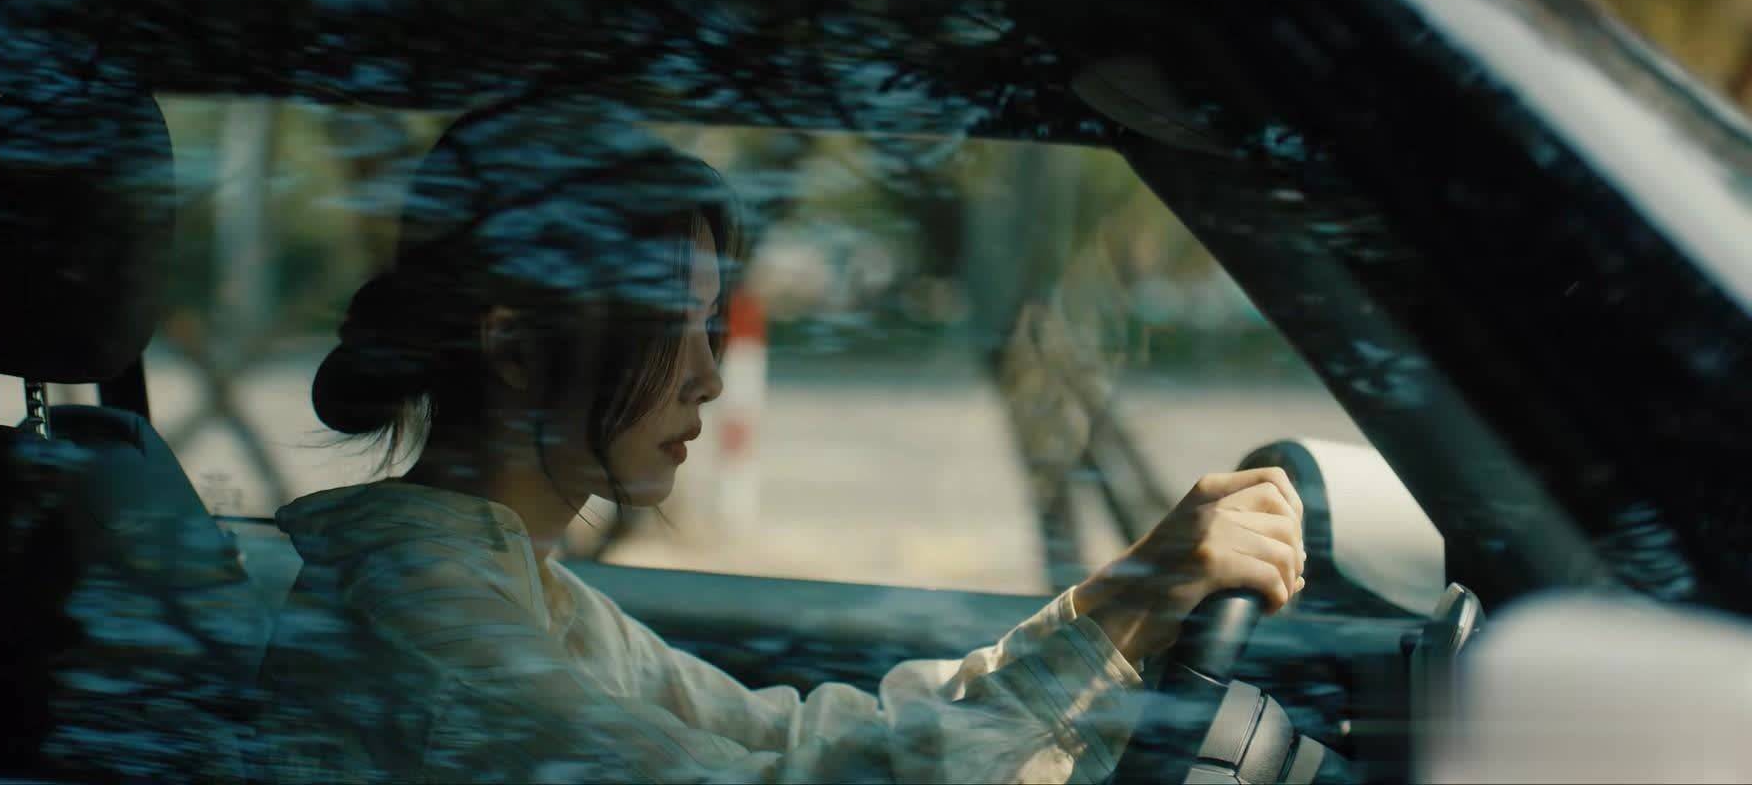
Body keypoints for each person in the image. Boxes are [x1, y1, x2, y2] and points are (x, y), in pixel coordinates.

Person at [252, 103, 1307, 784]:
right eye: (670, 332)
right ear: (516, 347)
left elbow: (798, 742)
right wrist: (1113, 620)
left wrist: (1114, 605)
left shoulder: (513, 587)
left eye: (709, 330)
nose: (708, 376)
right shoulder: (420, 615)